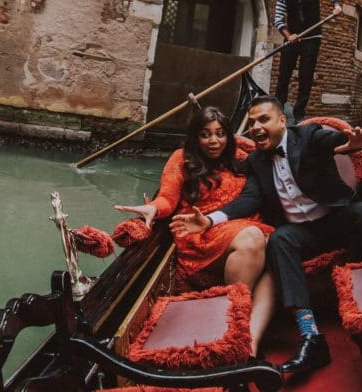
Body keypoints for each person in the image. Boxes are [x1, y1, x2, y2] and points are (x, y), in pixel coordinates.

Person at [173, 96, 362, 379]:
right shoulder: (257, 160)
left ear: (282, 120)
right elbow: (249, 199)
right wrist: (208, 220)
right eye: (252, 121)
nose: (256, 127)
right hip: (301, 233)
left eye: (263, 120)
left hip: (336, 220)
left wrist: (354, 143)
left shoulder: (306, 135)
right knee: (280, 240)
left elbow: (331, 141)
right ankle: (311, 337)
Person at [115, 106, 277, 353]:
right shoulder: (181, 158)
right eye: (206, 134)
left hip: (239, 225)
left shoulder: (243, 159)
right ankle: (231, 326)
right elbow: (168, 198)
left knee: (274, 251)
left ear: (229, 136)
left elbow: (255, 188)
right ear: (196, 137)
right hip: (198, 234)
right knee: (253, 239)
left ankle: (248, 340)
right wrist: (153, 209)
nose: (214, 141)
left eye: (220, 134)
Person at [271, 0, 342, 121]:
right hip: (292, 39)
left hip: (312, 38)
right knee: (284, 74)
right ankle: (278, 108)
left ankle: (299, 113)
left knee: (306, 75)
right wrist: (289, 36)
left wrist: (336, 6)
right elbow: (279, 20)